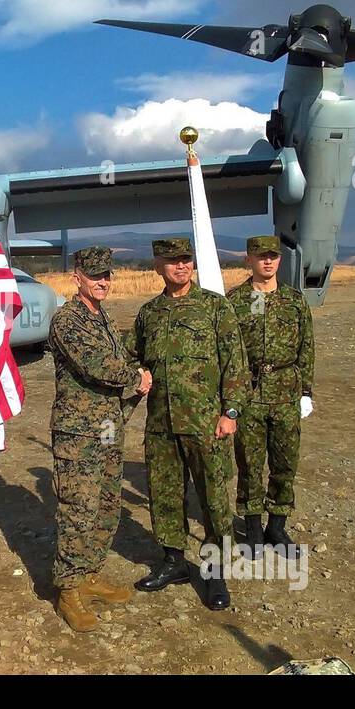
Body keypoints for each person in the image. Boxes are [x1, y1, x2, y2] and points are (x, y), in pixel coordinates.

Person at [126, 237, 249, 610]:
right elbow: (132, 356)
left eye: (186, 260)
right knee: (165, 496)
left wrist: (231, 413)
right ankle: (174, 561)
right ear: (157, 266)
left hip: (205, 423)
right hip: (162, 425)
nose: (181, 266)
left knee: (213, 499)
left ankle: (214, 573)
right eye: (173, 260)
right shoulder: (149, 313)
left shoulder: (214, 307)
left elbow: (235, 364)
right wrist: (136, 374)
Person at [46, 246, 153, 632]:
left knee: (108, 506)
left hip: (107, 428)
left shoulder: (102, 316)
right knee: (79, 508)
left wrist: (136, 372)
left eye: (107, 275)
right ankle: (69, 588)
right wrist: (135, 378)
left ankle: (91, 572)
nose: (103, 282)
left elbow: (120, 357)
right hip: (78, 432)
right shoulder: (67, 320)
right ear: (77, 278)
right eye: (95, 277)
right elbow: (98, 366)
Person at [226, 235, 315, 551]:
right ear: (247, 259)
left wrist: (306, 391)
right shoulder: (233, 301)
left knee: (284, 462)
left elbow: (306, 348)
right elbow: (227, 352)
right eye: (260, 256)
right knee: (249, 463)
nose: (267, 261)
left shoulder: (295, 302)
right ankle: (252, 527)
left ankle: (277, 527)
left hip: (285, 394)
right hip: (248, 395)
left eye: (273, 256)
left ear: (279, 260)